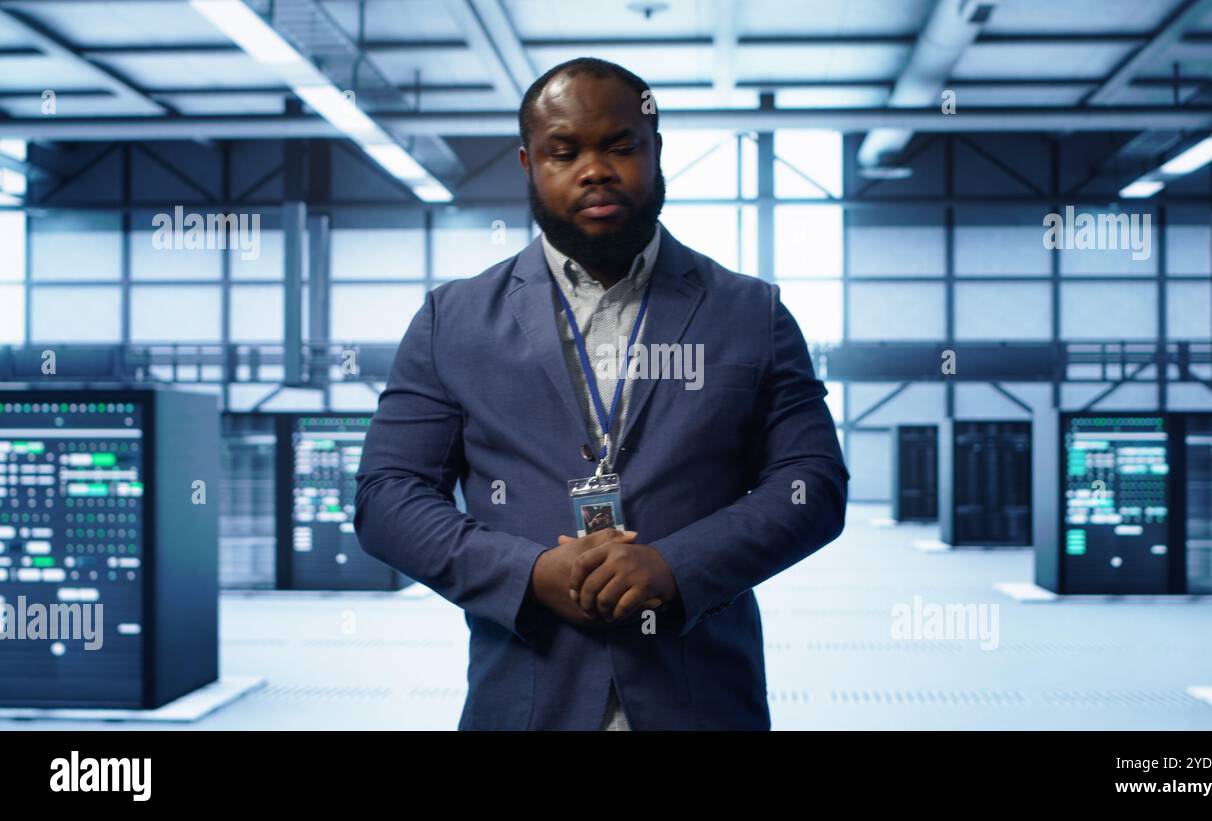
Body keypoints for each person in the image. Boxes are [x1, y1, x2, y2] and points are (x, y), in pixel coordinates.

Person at [353, 57, 848, 730]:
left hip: (702, 702)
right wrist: (526, 573)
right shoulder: (454, 319)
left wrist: (678, 565)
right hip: (526, 702)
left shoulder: (749, 312)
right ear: (530, 166)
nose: (595, 169)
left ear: (656, 152)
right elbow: (388, 496)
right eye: (565, 151)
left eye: (621, 146)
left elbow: (812, 483)